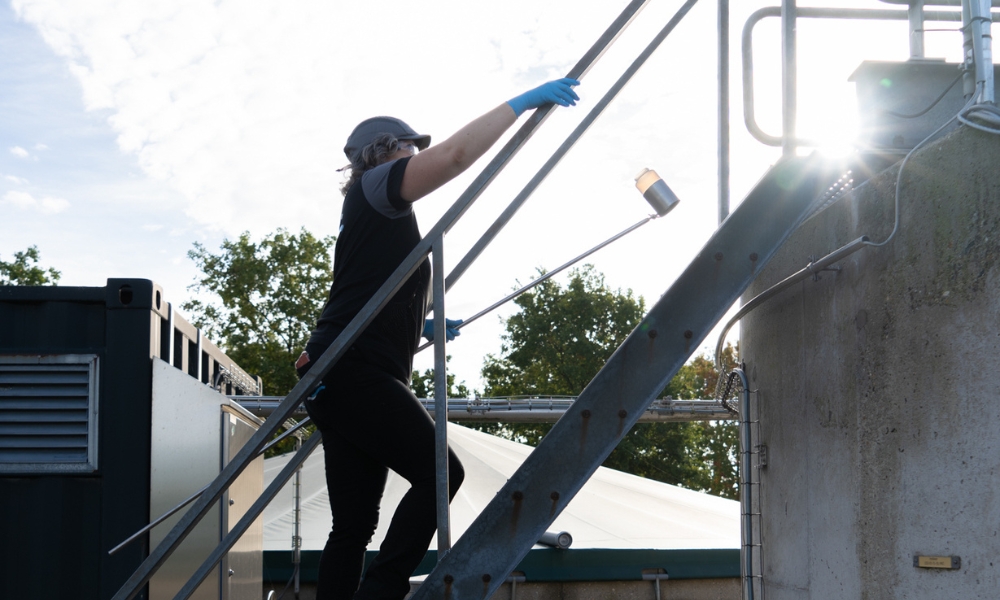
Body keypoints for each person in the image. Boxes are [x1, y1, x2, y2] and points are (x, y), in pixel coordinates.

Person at [295, 77, 581, 600]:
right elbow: (452, 157)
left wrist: (420, 325)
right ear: (383, 152)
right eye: (408, 146)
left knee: (353, 525)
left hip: (337, 372)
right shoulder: (376, 186)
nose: (414, 154)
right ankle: (381, 592)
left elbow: (367, 289)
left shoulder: (374, 217)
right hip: (355, 369)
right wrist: (520, 103)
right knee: (440, 474)